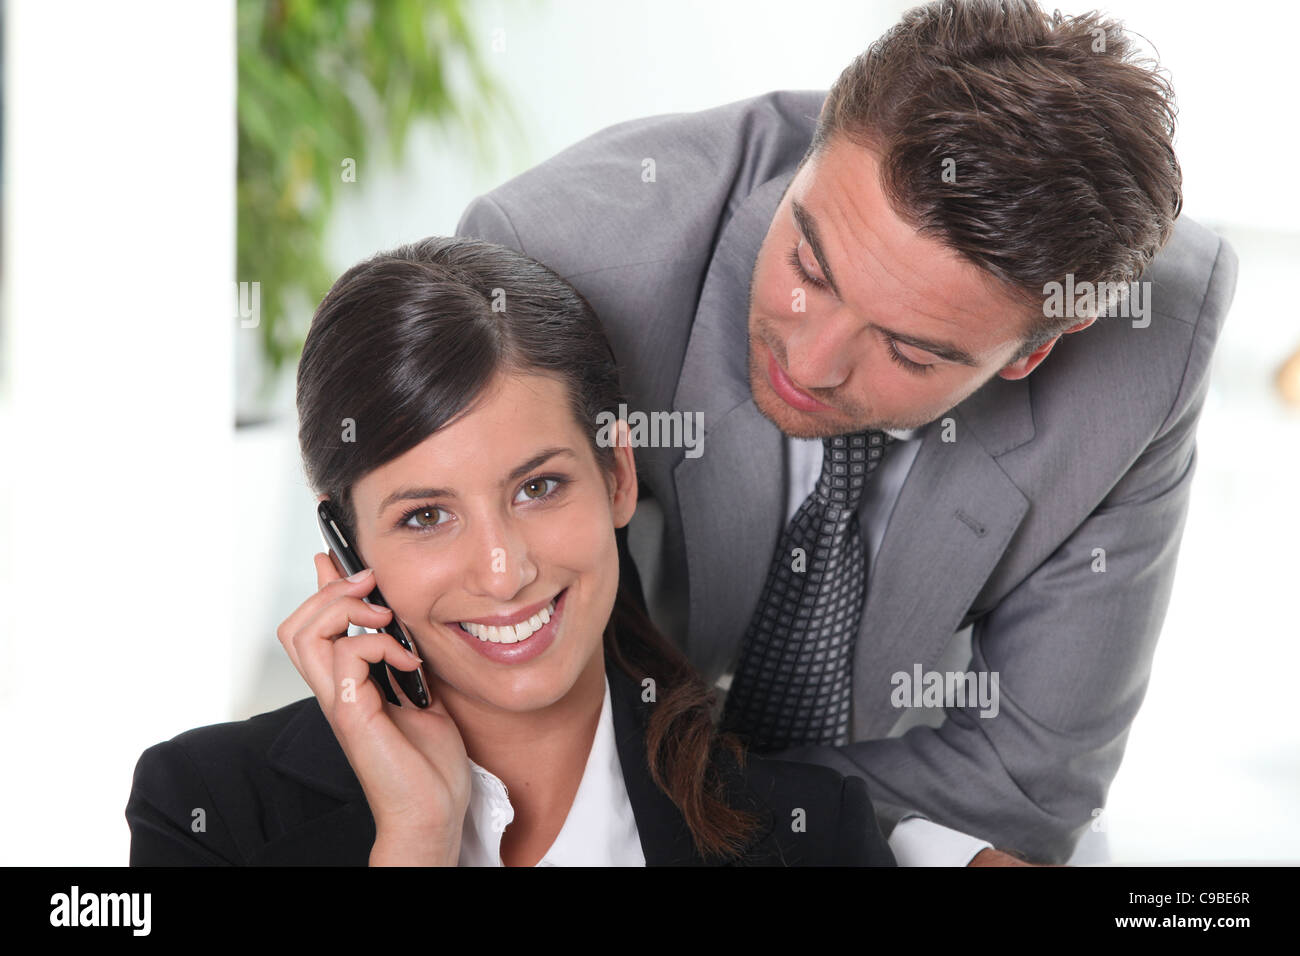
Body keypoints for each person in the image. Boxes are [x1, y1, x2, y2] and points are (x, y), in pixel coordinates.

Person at [454, 0, 1237, 864]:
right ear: (814, 148)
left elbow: (1028, 787)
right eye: (808, 266)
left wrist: (717, 810)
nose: (813, 360)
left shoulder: (1150, 342)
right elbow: (501, 722)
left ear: (1035, 350)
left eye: (908, 349)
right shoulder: (557, 257)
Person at [125, 236, 897, 867]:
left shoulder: (813, 833)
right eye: (426, 516)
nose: (503, 571)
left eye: (538, 488)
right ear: (346, 544)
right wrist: (415, 841)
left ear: (618, 476)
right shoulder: (206, 810)